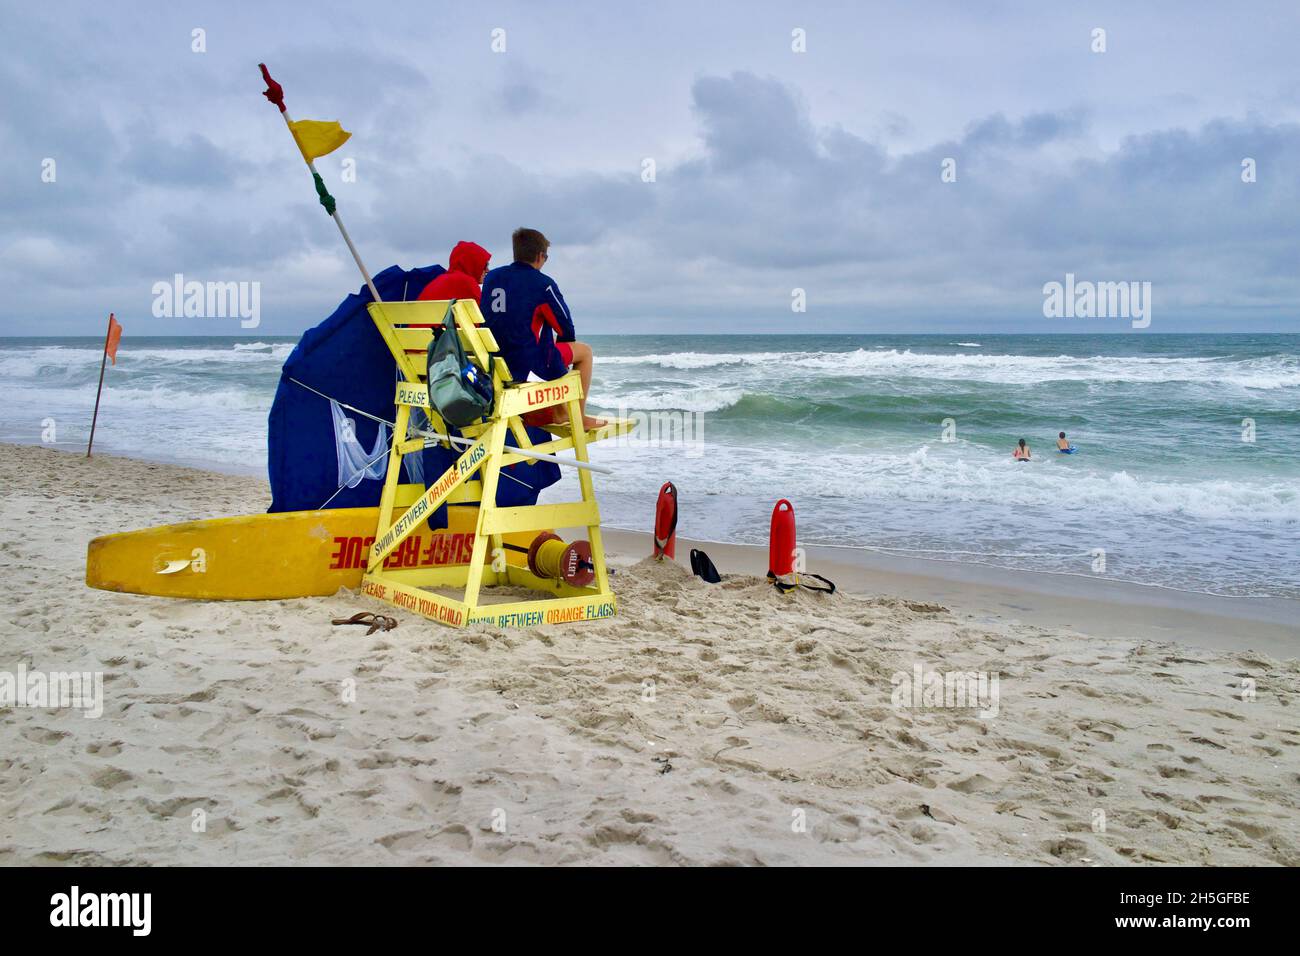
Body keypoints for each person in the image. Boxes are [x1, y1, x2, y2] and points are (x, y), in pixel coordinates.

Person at [481, 228, 603, 429]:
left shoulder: (492, 278)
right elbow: (565, 328)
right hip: (524, 367)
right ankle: (578, 417)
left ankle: (559, 411)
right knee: (585, 352)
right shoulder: (543, 284)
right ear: (539, 256)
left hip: (493, 364)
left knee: (542, 346)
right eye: (546, 257)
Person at [418, 241, 491, 304]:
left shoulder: (436, 281)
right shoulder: (467, 283)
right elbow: (483, 315)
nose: (488, 270)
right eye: (485, 265)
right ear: (472, 263)